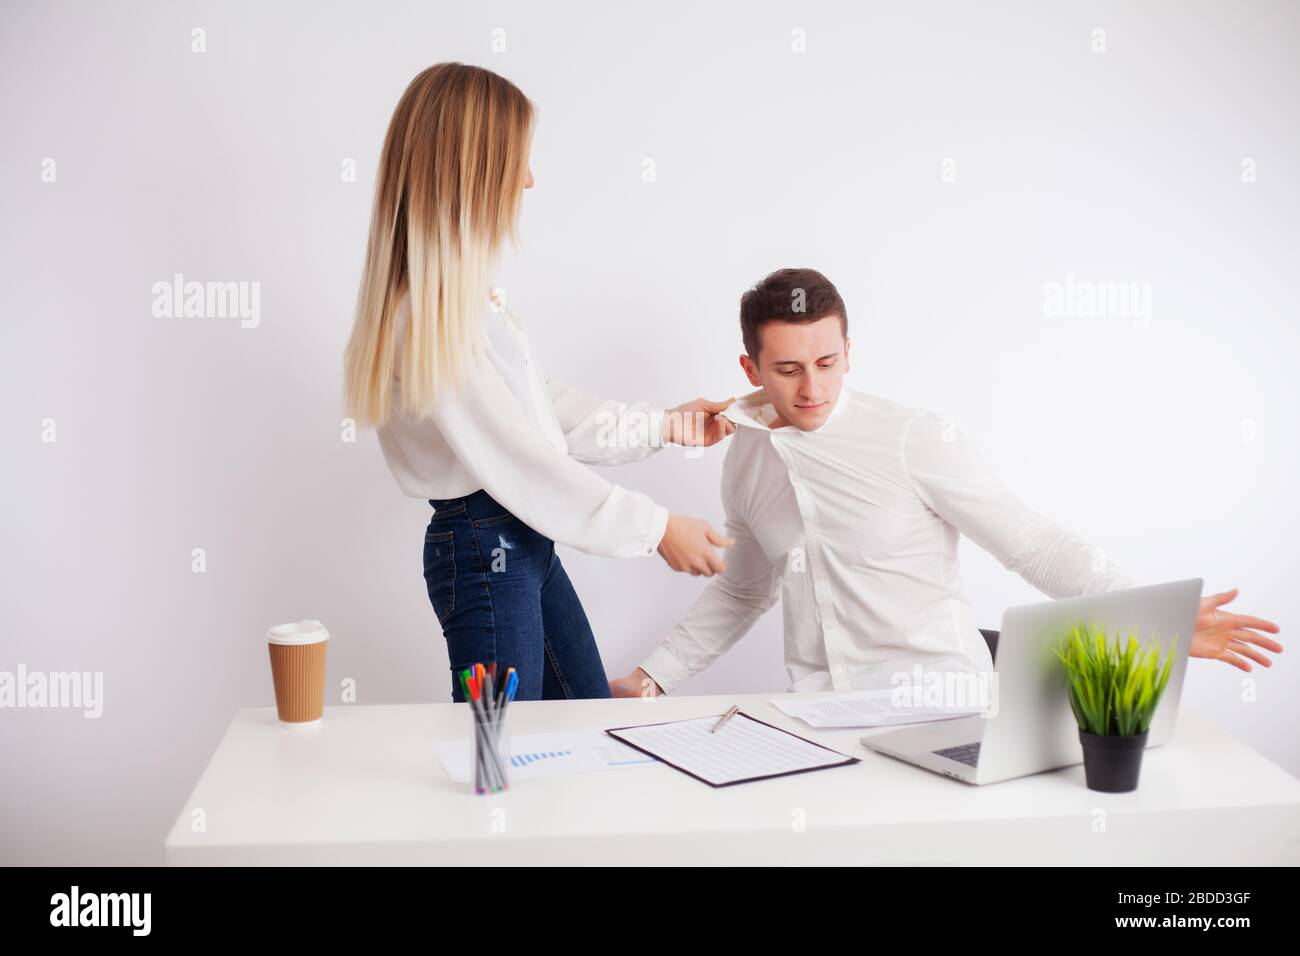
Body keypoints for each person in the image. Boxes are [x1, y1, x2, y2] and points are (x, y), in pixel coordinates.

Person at [611, 267, 1282, 697]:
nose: (812, 387)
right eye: (787, 370)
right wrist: (650, 679)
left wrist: (1152, 614)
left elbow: (1034, 545)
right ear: (751, 367)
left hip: (942, 705)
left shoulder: (914, 437)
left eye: (828, 361)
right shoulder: (745, 457)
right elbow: (746, 587)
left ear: (851, 352)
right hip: (819, 719)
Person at [343, 63, 736, 702]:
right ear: (470, 169)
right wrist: (656, 527)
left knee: (584, 721)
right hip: (486, 544)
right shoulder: (426, 317)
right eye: (517, 160)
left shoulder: (462, 305)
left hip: (519, 540)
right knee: (499, 759)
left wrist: (667, 424)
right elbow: (518, 457)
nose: (530, 177)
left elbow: (537, 412)